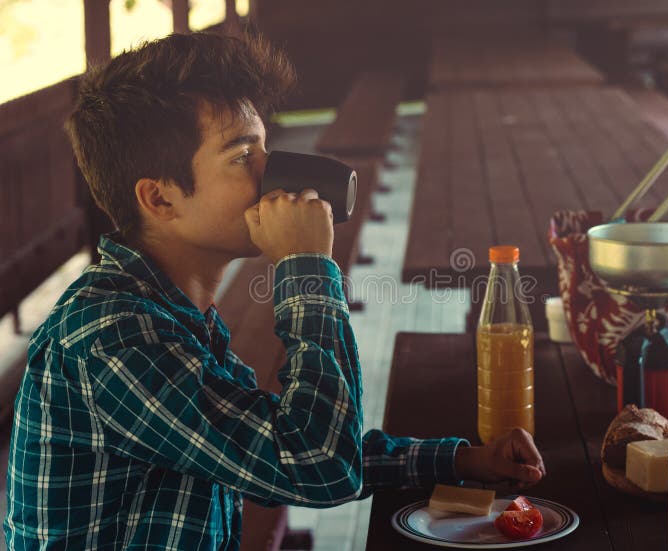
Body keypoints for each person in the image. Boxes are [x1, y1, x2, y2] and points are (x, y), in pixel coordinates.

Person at [4, 32, 545, 550]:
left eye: (266, 148)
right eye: (243, 157)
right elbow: (319, 465)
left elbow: (274, 445)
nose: (275, 175)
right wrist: (306, 268)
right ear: (160, 199)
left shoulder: (168, 311)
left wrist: (461, 461)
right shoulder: (113, 338)